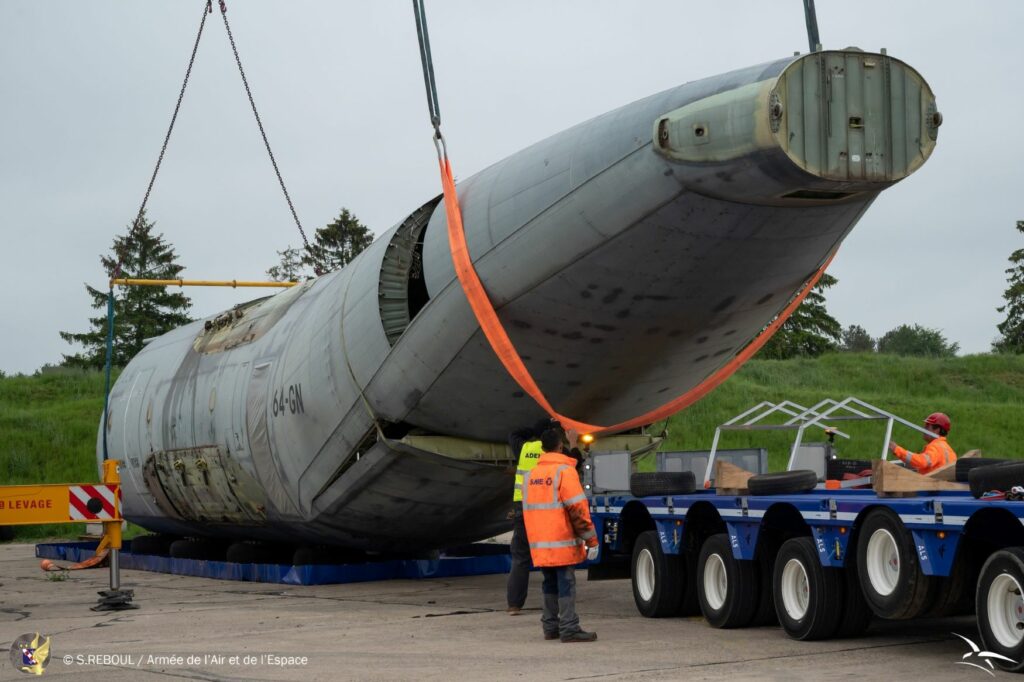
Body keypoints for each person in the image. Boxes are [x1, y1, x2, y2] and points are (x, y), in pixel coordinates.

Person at [521, 427, 599, 643]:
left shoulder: (531, 475)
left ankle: (550, 627)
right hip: (561, 541)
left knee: (549, 583)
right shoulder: (564, 472)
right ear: (560, 446)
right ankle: (569, 628)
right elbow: (578, 509)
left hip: (541, 543)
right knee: (565, 583)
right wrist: (591, 540)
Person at [506, 418, 555, 615]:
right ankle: (553, 603)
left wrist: (532, 429)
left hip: (523, 509)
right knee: (549, 556)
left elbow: (513, 434)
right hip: (546, 510)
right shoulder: (553, 451)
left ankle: (514, 605)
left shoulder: (525, 448)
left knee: (520, 558)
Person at [888, 412, 958, 475]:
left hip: (932, 487)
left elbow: (922, 462)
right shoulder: (950, 450)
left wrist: (896, 449)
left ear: (937, 430)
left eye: (927, 426)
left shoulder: (935, 447)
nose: (924, 428)